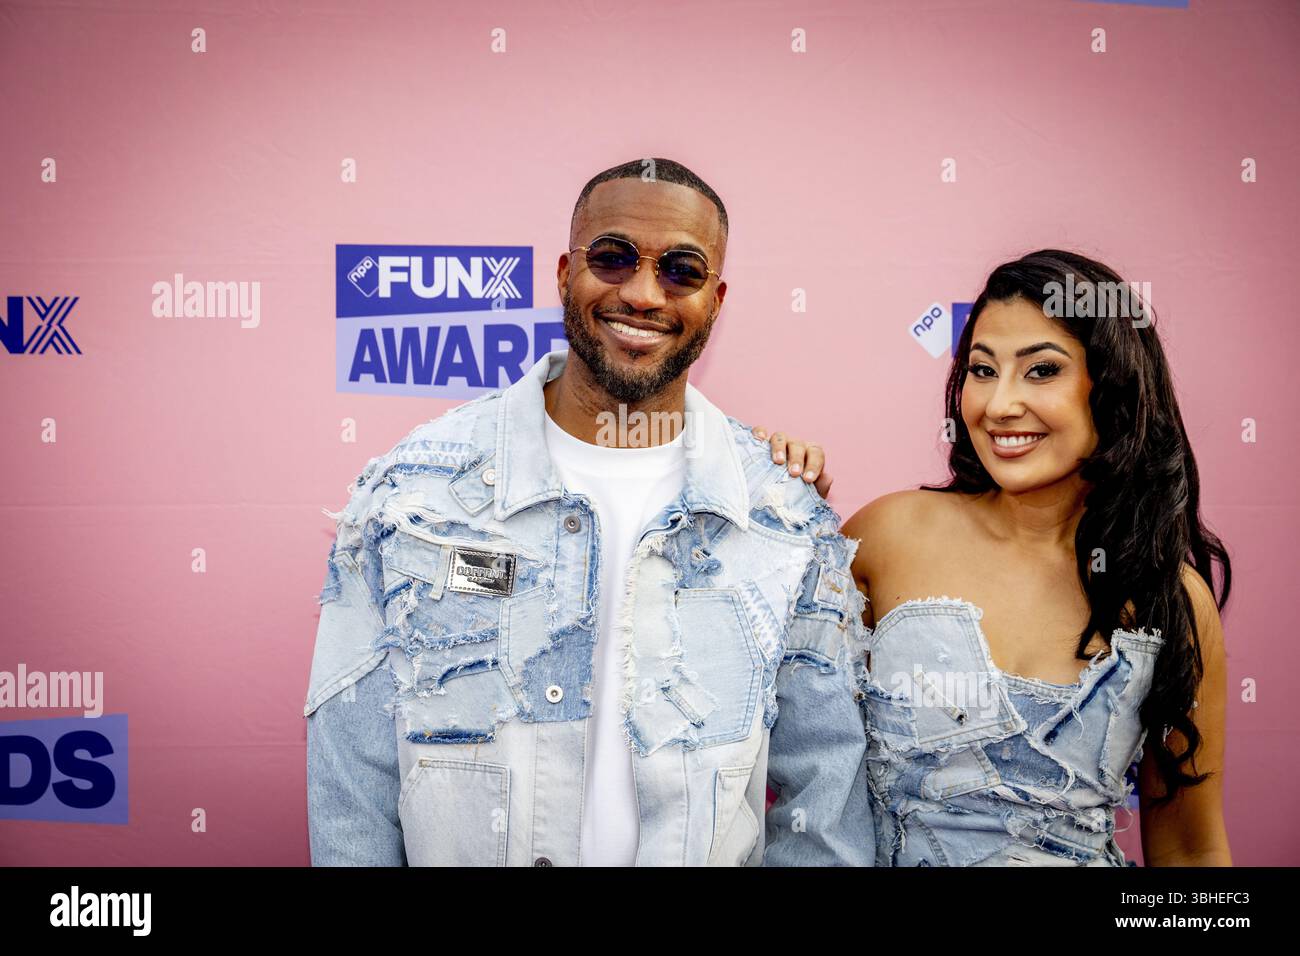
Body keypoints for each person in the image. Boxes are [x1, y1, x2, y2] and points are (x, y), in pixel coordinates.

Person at [303, 157, 872, 866]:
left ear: (716, 301)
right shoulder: (414, 495)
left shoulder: (780, 518)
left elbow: (823, 803)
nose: (642, 293)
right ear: (564, 273)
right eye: (612, 258)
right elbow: (352, 787)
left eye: (681, 270)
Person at [840, 250, 1232, 866]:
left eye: (1041, 371)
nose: (998, 406)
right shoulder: (886, 538)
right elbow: (797, 757)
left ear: (1114, 386)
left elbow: (1188, 845)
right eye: (982, 370)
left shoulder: (1168, 597)